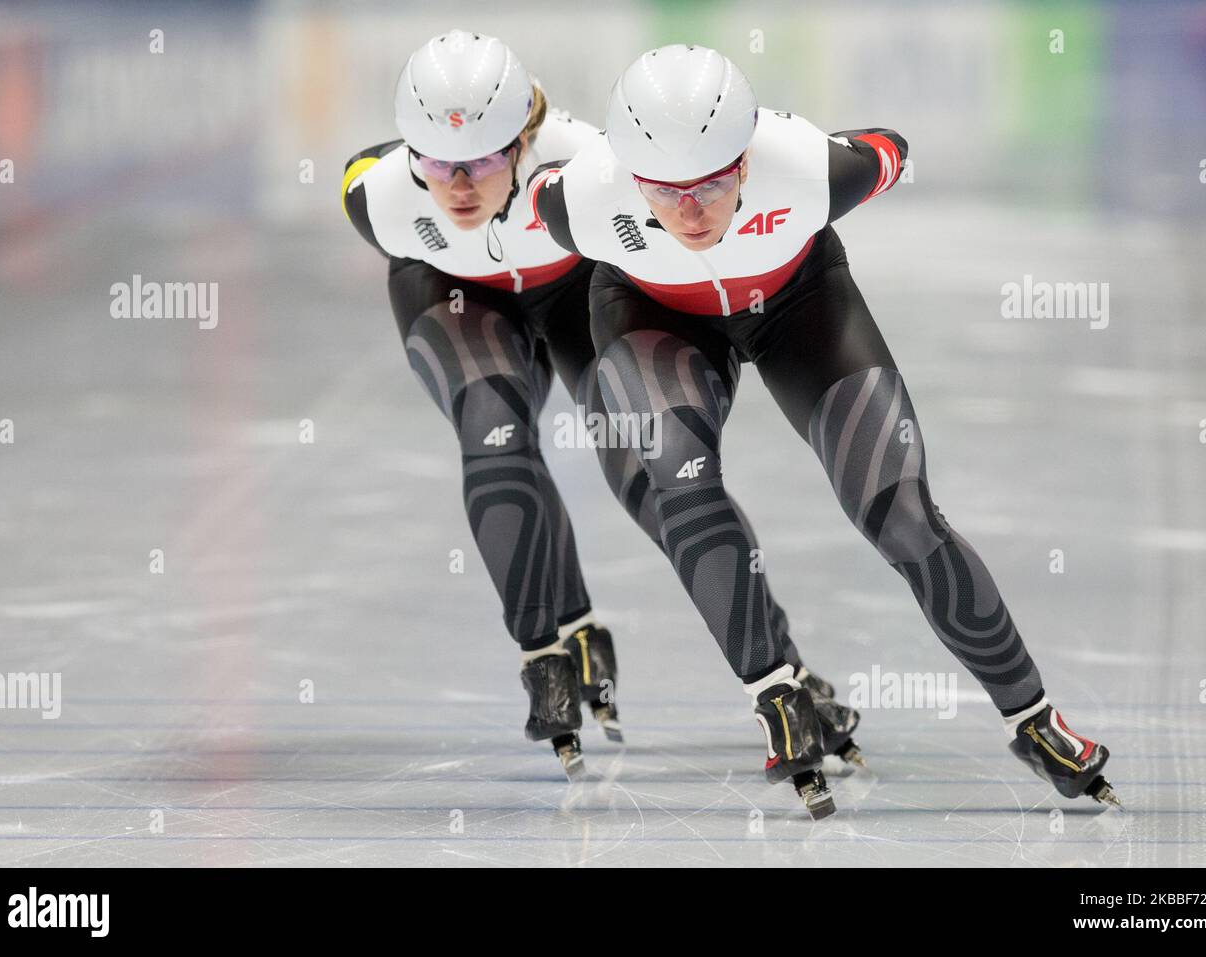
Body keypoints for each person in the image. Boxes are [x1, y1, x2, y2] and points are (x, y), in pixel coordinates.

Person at [529, 44, 1118, 816]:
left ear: (745, 162)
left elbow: (890, 149)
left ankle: (1033, 717)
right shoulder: (581, 199)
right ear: (629, 176)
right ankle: (775, 691)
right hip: (652, 313)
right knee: (678, 478)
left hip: (800, 307)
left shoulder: (809, 166)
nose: (690, 212)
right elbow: (524, 195)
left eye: (709, 184)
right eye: (664, 193)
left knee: (902, 513)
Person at [342, 32, 860, 778]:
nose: (459, 185)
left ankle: (784, 670)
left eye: (486, 159)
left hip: (572, 291)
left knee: (651, 477)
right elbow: (375, 168)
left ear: (525, 139)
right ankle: (544, 654)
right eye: (436, 164)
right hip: (456, 294)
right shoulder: (382, 200)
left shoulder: (580, 167)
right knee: (494, 434)